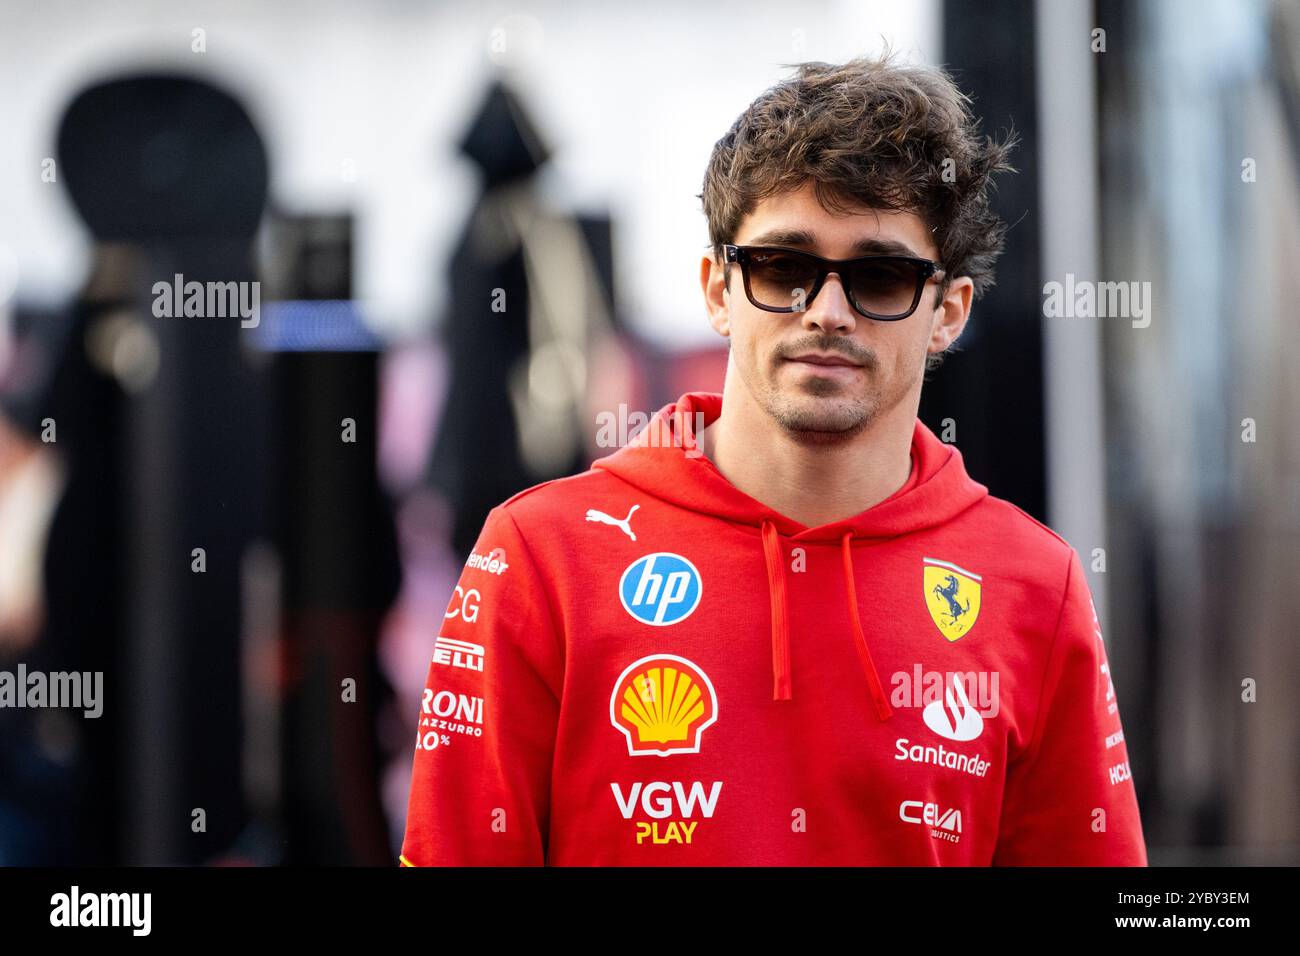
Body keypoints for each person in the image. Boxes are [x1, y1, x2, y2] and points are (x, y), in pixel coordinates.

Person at [400, 52, 1147, 865]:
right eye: (784, 268)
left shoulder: (1035, 585)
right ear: (718, 290)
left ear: (948, 313)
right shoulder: (540, 558)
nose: (827, 313)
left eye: (882, 277)